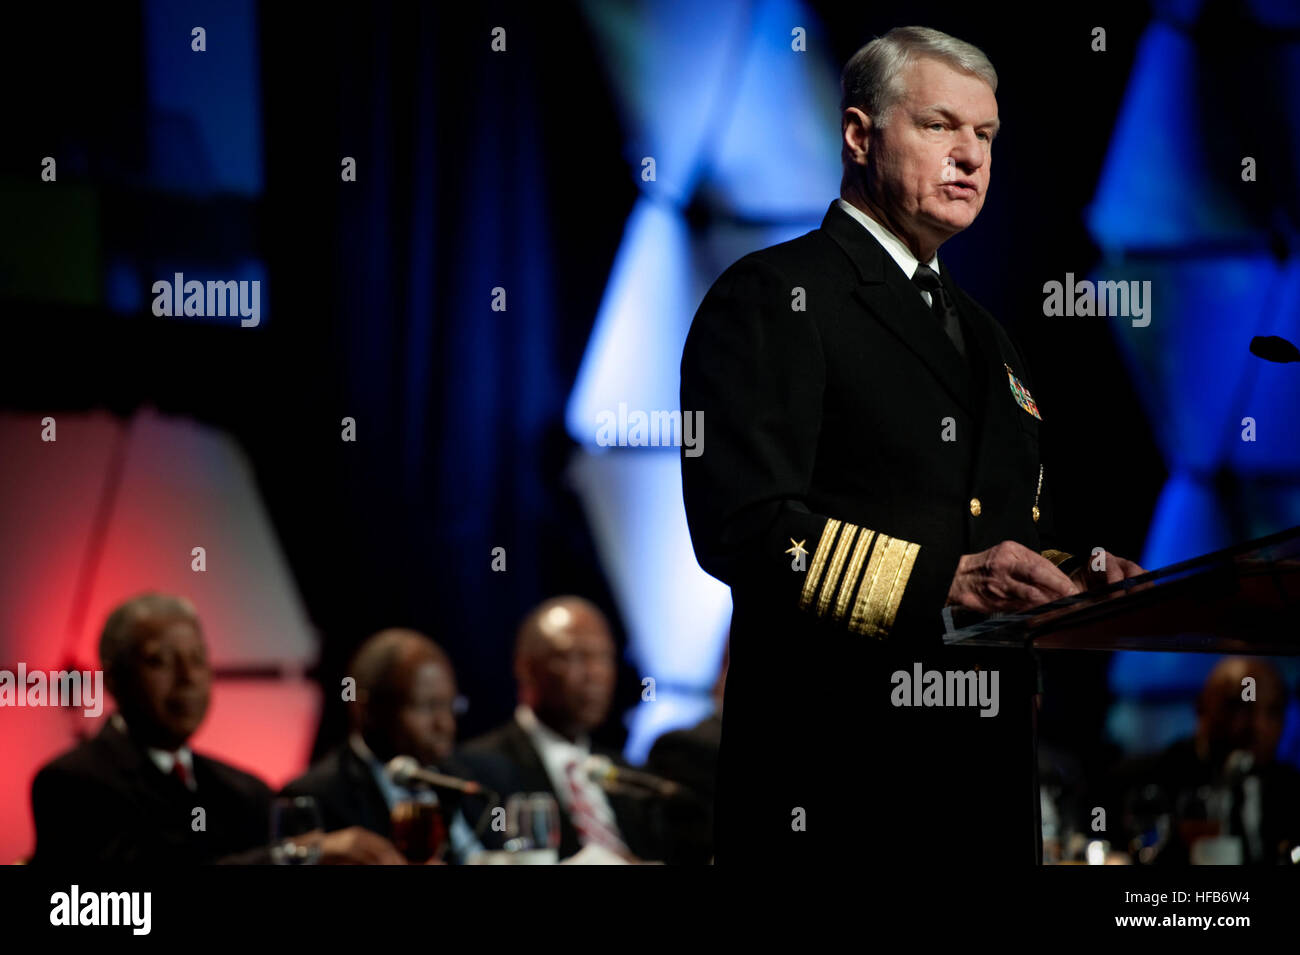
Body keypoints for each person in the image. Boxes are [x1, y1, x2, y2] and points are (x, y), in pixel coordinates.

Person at [679, 26, 1145, 864]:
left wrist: (1076, 582)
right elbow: (744, 529)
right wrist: (948, 583)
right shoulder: (775, 295)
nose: (970, 155)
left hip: (987, 777)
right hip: (840, 780)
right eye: (939, 126)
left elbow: (990, 532)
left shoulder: (989, 338)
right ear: (859, 135)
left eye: (987, 136)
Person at [30, 593, 404, 865]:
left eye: (197, 658)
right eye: (160, 661)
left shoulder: (244, 790)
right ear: (113, 680)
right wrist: (292, 855)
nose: (188, 678)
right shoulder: (70, 784)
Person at [456, 596, 662, 861]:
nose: (595, 674)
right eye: (575, 657)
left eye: (604, 657)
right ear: (526, 667)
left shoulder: (630, 777)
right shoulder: (477, 771)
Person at [282, 628, 487, 863]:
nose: (444, 723)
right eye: (427, 706)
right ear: (368, 710)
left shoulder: (473, 778)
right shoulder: (316, 797)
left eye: (449, 704)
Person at [1107, 657, 1300, 865]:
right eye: (1239, 706)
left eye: (1273, 711)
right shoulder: (1143, 781)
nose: (1257, 726)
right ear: (1202, 707)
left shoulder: (1290, 788)